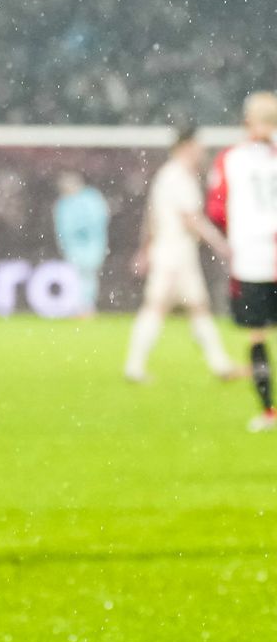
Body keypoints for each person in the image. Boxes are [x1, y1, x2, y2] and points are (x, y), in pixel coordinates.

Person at [123, 129, 239, 382]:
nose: (201, 151)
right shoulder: (178, 177)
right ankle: (134, 366)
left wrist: (145, 250)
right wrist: (220, 243)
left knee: (196, 308)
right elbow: (191, 218)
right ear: (185, 147)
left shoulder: (168, 176)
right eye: (197, 146)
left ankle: (220, 365)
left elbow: (152, 216)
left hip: (172, 251)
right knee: (158, 307)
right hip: (174, 254)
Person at [206, 92, 277, 431]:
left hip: (251, 259)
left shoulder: (230, 159)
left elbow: (217, 208)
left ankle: (268, 411)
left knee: (257, 335)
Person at [53, 172, 110, 315]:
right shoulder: (64, 203)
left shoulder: (90, 198)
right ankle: (81, 306)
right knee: (79, 276)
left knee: (88, 275)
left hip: (92, 245)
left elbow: (100, 218)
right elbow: (62, 228)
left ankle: (86, 306)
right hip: (76, 247)